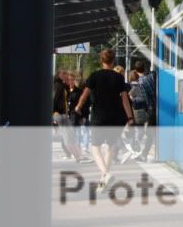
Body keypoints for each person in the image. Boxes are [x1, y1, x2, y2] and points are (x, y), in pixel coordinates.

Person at [75, 49, 134, 191]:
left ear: (101, 60)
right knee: (111, 147)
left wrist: (78, 107)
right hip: (115, 117)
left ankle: (106, 174)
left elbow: (84, 95)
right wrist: (130, 117)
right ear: (113, 61)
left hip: (99, 117)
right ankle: (103, 181)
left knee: (95, 148)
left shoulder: (94, 76)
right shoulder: (119, 78)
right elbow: (125, 99)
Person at [52, 71, 82, 162]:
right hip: (60, 115)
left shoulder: (62, 86)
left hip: (63, 115)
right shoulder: (58, 86)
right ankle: (78, 157)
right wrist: (54, 114)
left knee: (69, 136)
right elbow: (54, 100)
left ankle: (78, 156)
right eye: (64, 74)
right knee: (68, 137)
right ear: (59, 75)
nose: (66, 77)